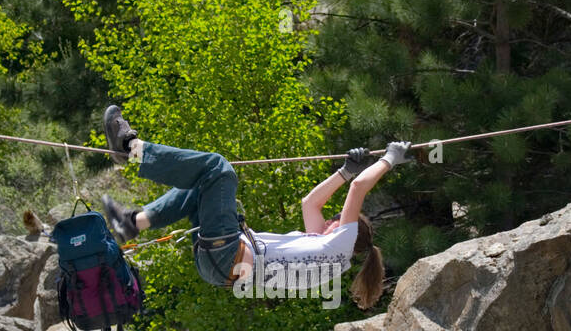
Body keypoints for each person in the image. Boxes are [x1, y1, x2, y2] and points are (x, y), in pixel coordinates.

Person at [98, 105, 410, 309]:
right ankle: (133, 223)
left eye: (334, 220)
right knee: (202, 183)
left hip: (226, 255)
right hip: (218, 266)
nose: (329, 220)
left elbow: (358, 190)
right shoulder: (326, 252)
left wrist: (389, 159)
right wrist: (345, 171)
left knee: (219, 168)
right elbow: (310, 203)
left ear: (345, 229)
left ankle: (132, 151)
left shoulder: (339, 247)